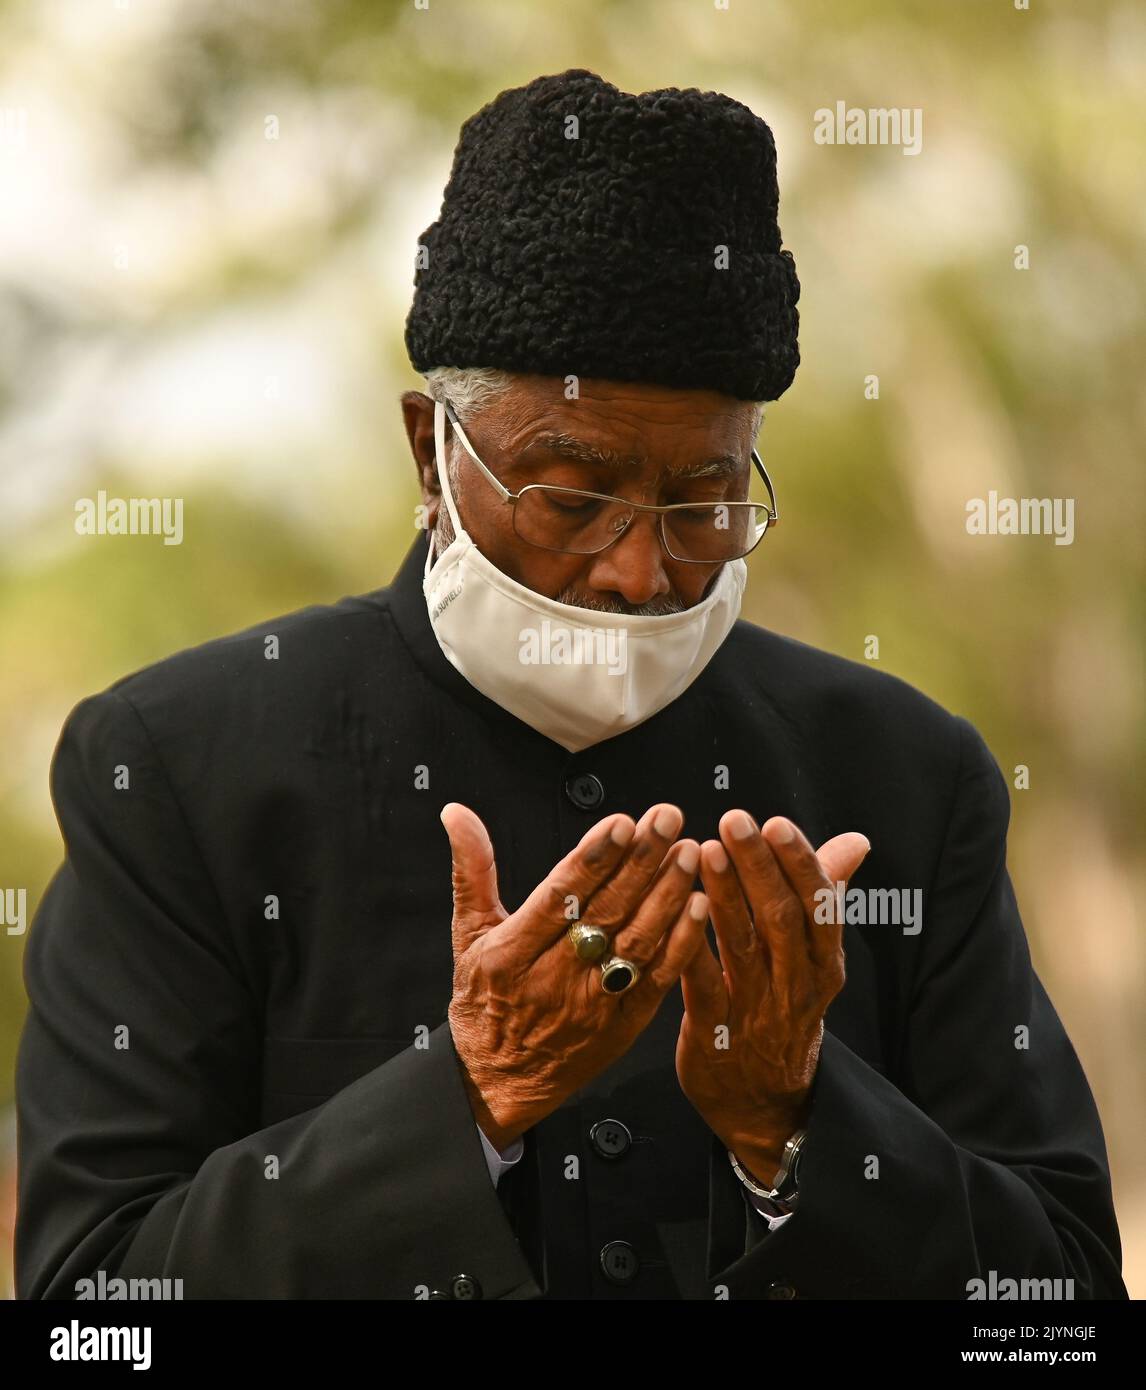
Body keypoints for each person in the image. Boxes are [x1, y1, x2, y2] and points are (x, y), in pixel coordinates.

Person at [15, 69, 1126, 1301]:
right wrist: (470, 1098)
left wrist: (799, 1123)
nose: (642, 569)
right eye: (570, 491)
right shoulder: (178, 770)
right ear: (431, 456)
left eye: (705, 500)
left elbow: (1058, 1308)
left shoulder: (908, 776)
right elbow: (93, 1312)